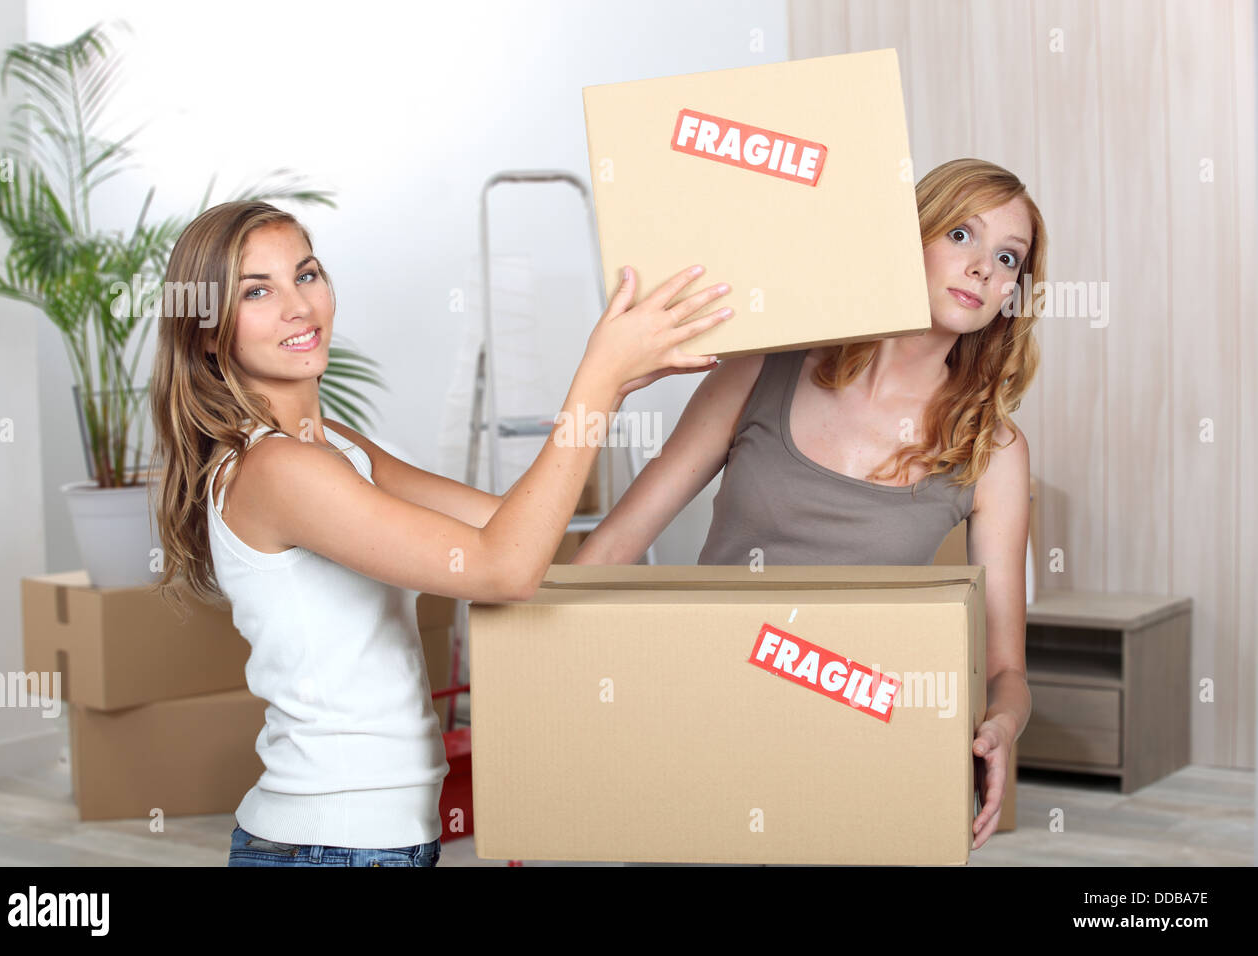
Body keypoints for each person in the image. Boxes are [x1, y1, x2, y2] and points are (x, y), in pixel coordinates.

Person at [147, 200, 732, 866]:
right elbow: (502, 566)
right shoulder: (276, 468)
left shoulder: (332, 445)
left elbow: (507, 522)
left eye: (306, 275)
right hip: (328, 844)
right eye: (258, 290)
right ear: (208, 333)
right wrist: (594, 383)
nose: (298, 306)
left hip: (367, 840)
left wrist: (615, 385)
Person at [572, 158, 1046, 852]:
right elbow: (611, 548)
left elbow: (1007, 671)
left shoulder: (993, 448)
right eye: (960, 236)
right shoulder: (762, 369)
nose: (982, 268)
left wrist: (1001, 723)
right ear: (905, 236)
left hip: (863, 756)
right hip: (704, 728)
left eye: (1008, 258)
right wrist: (550, 677)